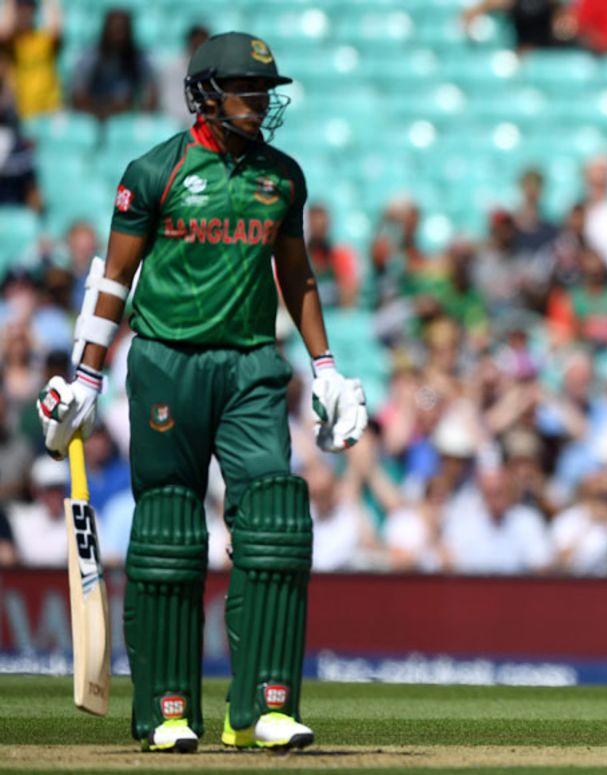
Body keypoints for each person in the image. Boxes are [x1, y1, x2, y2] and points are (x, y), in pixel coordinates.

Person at [34, 32, 367, 753]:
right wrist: (86, 375)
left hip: (251, 364)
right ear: (206, 93)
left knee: (275, 515)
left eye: (266, 91)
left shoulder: (282, 177)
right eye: (247, 90)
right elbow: (114, 279)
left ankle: (262, 708)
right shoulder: (155, 170)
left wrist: (327, 367)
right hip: (165, 361)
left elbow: (298, 275)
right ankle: (166, 708)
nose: (260, 103)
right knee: (171, 527)